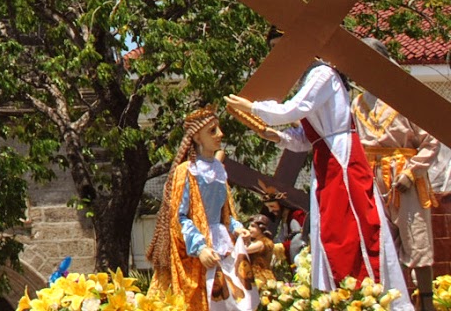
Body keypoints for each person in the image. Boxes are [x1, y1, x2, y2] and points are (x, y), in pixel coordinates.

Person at [228, 62, 411, 311]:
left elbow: (294, 109)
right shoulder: (312, 78)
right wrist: (277, 136)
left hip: (340, 159)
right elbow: (307, 137)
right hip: (326, 157)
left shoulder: (322, 73)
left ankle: (365, 295)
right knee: (329, 230)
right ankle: (338, 297)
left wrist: (253, 107)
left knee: (349, 229)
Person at [353, 39, 448, 311]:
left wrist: (411, 171)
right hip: (371, 177)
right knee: (381, 242)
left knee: (416, 241)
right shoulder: (357, 102)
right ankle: (391, 301)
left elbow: (431, 140)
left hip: (404, 176)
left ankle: (426, 304)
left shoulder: (404, 97)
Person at [147, 107, 256, 311]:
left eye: (219, 129)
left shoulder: (218, 169)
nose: (220, 134)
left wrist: (236, 227)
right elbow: (179, 217)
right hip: (197, 251)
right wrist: (200, 247)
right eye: (212, 131)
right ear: (197, 137)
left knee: (232, 301)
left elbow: (225, 212)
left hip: (222, 247)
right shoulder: (186, 171)